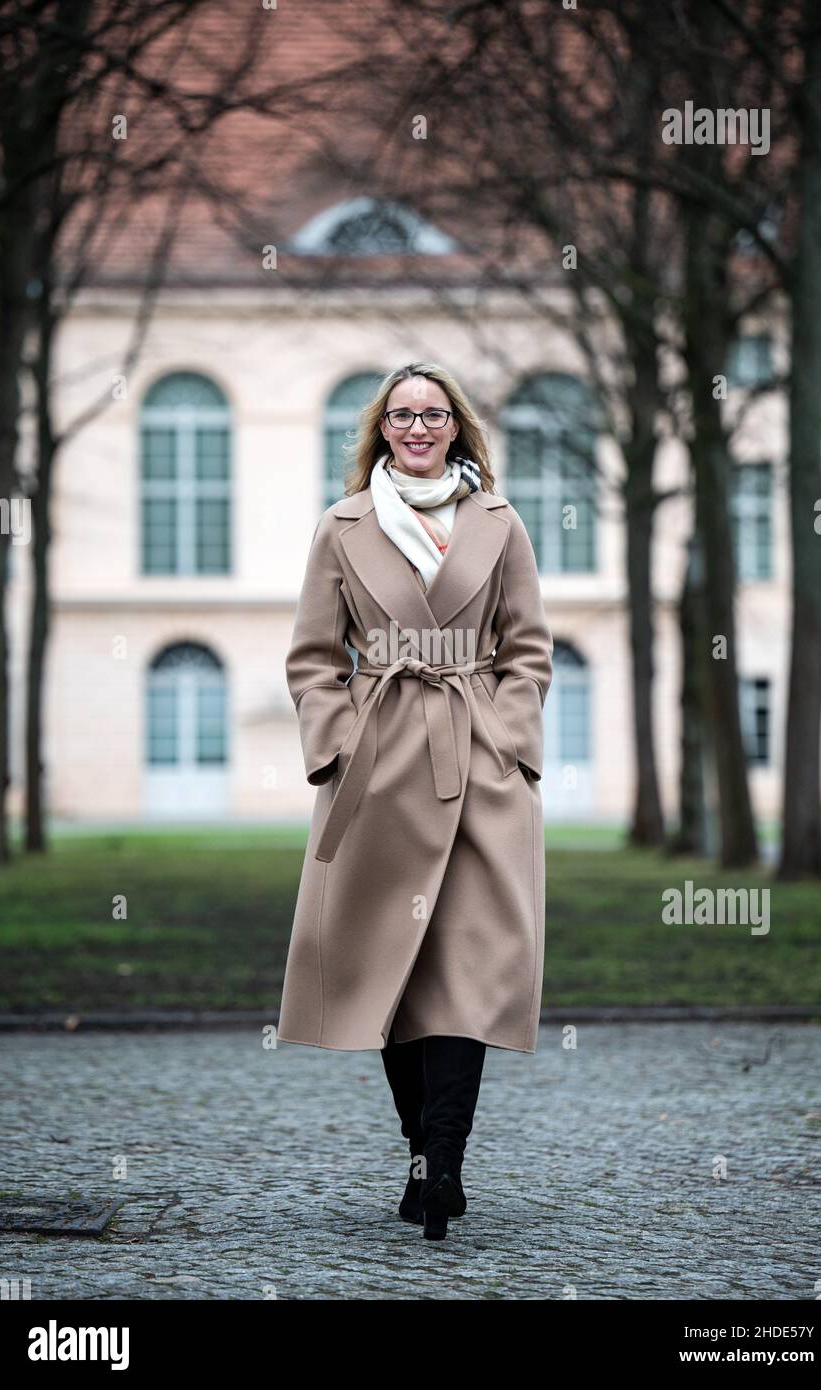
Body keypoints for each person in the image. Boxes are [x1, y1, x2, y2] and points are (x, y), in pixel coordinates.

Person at [279, 362, 553, 1239]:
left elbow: (528, 652)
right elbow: (314, 658)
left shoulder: (500, 524)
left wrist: (508, 741)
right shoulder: (342, 524)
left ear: (458, 426)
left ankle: (446, 1159)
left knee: (467, 967)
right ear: (382, 428)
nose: (419, 426)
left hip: (478, 764)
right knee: (389, 970)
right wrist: (337, 746)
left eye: (434, 413)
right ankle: (418, 1152)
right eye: (402, 414)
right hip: (379, 766)